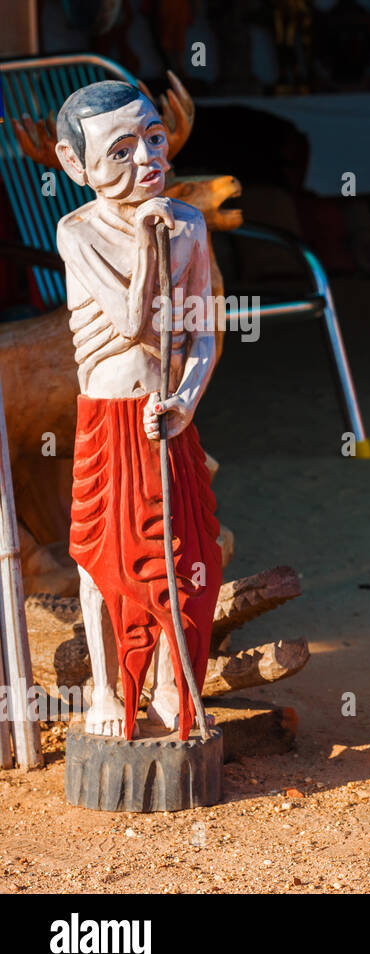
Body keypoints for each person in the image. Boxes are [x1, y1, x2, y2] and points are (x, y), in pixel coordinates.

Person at [53, 80, 222, 741]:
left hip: (167, 415)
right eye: (119, 151)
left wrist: (185, 400)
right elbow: (132, 318)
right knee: (105, 560)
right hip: (109, 416)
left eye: (153, 138)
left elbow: (203, 332)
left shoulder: (190, 225)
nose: (146, 159)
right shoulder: (79, 232)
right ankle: (108, 689)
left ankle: (173, 690)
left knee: (188, 554)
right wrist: (153, 237)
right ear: (75, 165)